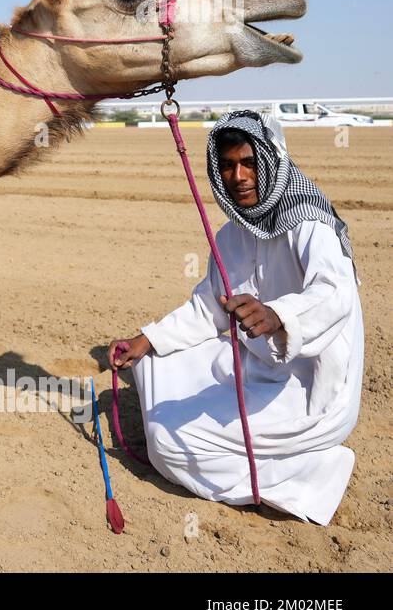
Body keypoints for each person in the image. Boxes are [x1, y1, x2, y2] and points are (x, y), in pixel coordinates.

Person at [108, 110, 363, 525]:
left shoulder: (310, 225)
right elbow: (209, 307)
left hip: (312, 385)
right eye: (228, 165)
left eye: (249, 163)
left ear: (271, 161)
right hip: (253, 363)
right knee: (154, 363)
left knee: (167, 443)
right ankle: (271, 460)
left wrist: (278, 315)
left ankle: (313, 473)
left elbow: (335, 294)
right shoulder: (231, 234)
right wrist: (146, 340)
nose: (239, 176)